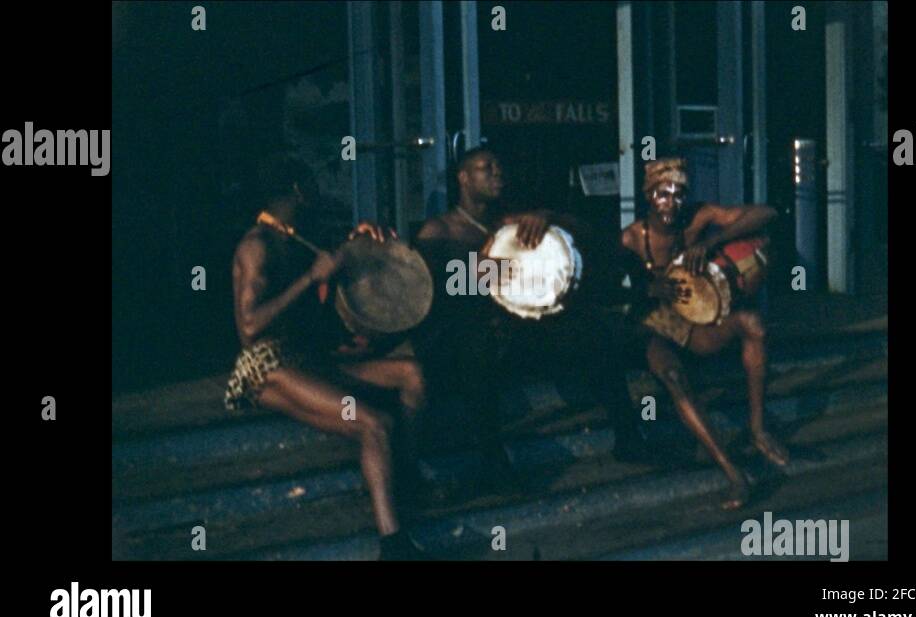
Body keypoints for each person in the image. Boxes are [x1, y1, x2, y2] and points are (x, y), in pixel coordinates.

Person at [224, 153, 428, 559]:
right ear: (300, 190)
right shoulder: (256, 246)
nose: (318, 192)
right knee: (374, 423)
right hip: (266, 368)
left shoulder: (295, 235)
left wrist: (360, 241)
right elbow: (249, 328)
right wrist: (310, 278)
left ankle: (402, 475)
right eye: (313, 185)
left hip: (307, 358)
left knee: (411, 373)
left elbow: (337, 255)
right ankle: (393, 543)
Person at [414, 147, 643, 490]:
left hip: (517, 326)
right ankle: (493, 459)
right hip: (468, 332)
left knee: (592, 329)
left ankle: (628, 435)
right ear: (463, 177)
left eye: (499, 166)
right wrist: (493, 269)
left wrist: (547, 216)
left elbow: (585, 234)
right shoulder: (440, 230)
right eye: (486, 167)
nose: (497, 173)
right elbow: (435, 289)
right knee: (477, 347)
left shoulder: (509, 222)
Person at [619, 157, 790, 510]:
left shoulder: (698, 218)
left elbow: (768, 213)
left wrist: (712, 243)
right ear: (648, 195)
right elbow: (604, 289)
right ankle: (733, 474)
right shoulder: (633, 238)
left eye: (679, 194)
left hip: (696, 322)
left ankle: (758, 429)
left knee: (752, 324)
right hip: (653, 325)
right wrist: (648, 291)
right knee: (672, 375)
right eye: (663, 194)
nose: (672, 202)